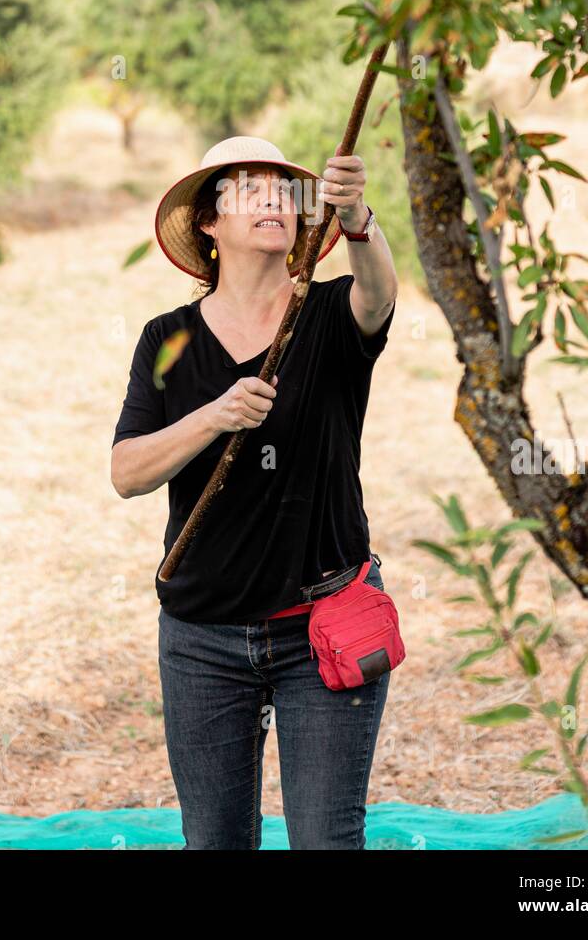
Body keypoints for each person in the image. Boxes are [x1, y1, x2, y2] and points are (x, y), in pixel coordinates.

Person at [111, 135, 398, 850]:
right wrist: (212, 417)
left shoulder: (331, 315)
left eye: (283, 188)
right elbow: (127, 472)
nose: (272, 197)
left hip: (322, 623)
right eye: (246, 187)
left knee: (325, 840)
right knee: (213, 840)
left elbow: (380, 293)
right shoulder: (167, 339)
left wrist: (357, 214)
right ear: (208, 223)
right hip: (201, 637)